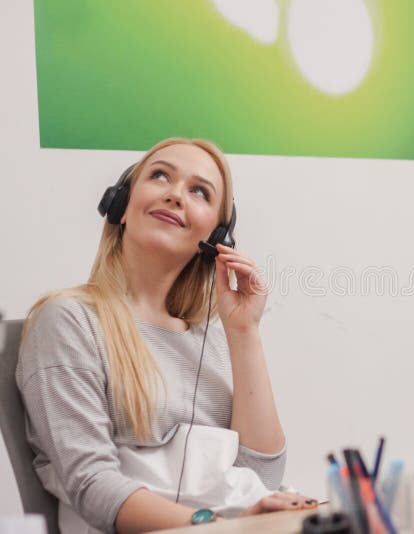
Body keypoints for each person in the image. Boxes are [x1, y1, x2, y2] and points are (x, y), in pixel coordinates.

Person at [16, 138, 317, 533]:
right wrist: (214, 525)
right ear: (121, 206)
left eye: (199, 191)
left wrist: (244, 331)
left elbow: (261, 477)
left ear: (217, 238)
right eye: (160, 175)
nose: (176, 195)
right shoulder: (68, 320)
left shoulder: (210, 340)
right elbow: (91, 482)